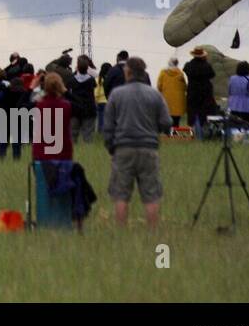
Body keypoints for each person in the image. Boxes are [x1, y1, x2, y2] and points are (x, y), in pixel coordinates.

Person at [101, 57, 171, 228]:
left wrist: (111, 147)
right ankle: (153, 231)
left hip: (123, 149)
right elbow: (167, 123)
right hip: (149, 148)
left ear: (129, 72)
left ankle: (121, 232)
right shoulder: (155, 94)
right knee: (151, 195)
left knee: (121, 195)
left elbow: (107, 126)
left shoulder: (116, 94)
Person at [33, 73, 73, 161]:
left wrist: (31, 88)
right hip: (63, 154)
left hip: (42, 154)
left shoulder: (40, 105)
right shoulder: (66, 105)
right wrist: (65, 91)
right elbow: (80, 105)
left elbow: (21, 104)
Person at [183, 47, 217, 136]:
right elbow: (212, 75)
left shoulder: (188, 65)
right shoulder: (207, 66)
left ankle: (193, 132)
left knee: (192, 113)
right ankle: (204, 133)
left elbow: (185, 71)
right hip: (205, 93)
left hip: (192, 92)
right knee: (204, 113)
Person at [68, 55, 98, 142]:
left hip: (75, 109)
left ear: (77, 66)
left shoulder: (72, 80)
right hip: (89, 108)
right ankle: (88, 152)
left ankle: (73, 152)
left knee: (73, 133)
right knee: (88, 133)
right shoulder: (91, 80)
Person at [155, 57, 187, 127]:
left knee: (166, 116)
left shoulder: (163, 72)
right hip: (178, 100)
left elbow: (159, 85)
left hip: (166, 98)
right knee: (176, 119)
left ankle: (167, 130)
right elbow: (184, 87)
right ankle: (175, 131)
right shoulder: (180, 74)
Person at [227, 61, 249, 126]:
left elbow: (229, 91)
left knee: (234, 124)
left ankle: (236, 135)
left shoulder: (232, 78)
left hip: (233, 105)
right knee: (246, 124)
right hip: (247, 106)